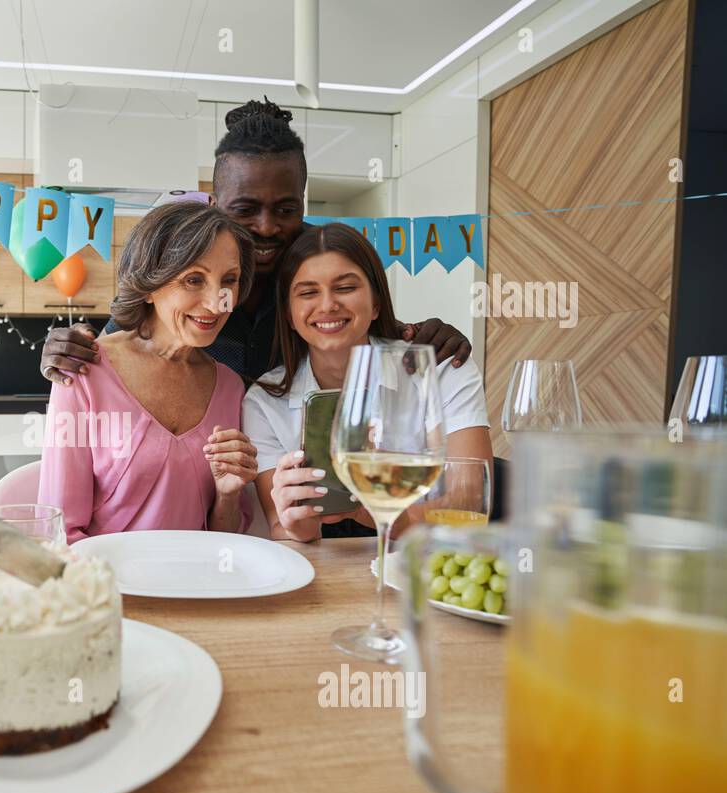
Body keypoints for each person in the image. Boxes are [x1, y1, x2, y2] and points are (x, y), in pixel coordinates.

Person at [38, 98, 473, 388]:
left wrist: (427, 338)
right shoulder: (180, 266)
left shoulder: (317, 261)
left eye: (285, 209)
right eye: (244, 209)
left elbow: (367, 332)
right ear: (213, 202)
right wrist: (68, 350)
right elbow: (119, 343)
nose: (266, 228)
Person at [243, 223, 493, 542]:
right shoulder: (263, 401)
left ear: (376, 303)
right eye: (308, 292)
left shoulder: (443, 368)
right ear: (289, 314)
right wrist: (296, 522)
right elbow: (282, 528)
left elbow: (467, 505)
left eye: (345, 288)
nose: (328, 305)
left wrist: (369, 507)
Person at [38, 202, 257, 541]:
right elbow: (58, 532)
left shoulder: (230, 387)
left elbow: (224, 540)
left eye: (229, 280)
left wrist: (228, 495)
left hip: (198, 587)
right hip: (108, 586)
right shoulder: (83, 372)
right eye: (193, 280)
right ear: (149, 286)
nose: (217, 303)